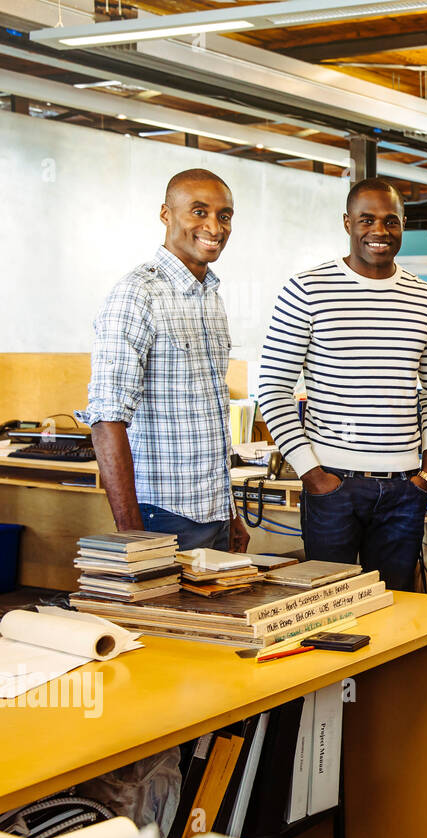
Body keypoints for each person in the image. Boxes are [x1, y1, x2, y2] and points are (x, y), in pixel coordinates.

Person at [258, 177, 427, 592]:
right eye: (367, 220)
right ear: (347, 223)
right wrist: (313, 476)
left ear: (403, 224)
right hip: (333, 485)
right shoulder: (305, 289)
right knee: (330, 614)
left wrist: (426, 475)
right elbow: (272, 390)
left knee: (399, 613)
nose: (379, 232)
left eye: (390, 221)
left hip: (404, 488)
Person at [85, 168, 250, 553]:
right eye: (199, 211)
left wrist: (230, 513)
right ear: (166, 214)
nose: (214, 226)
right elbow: (106, 418)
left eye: (224, 215)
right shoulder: (137, 294)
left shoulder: (210, 296)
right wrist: (132, 535)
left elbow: (205, 419)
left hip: (213, 512)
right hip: (160, 514)